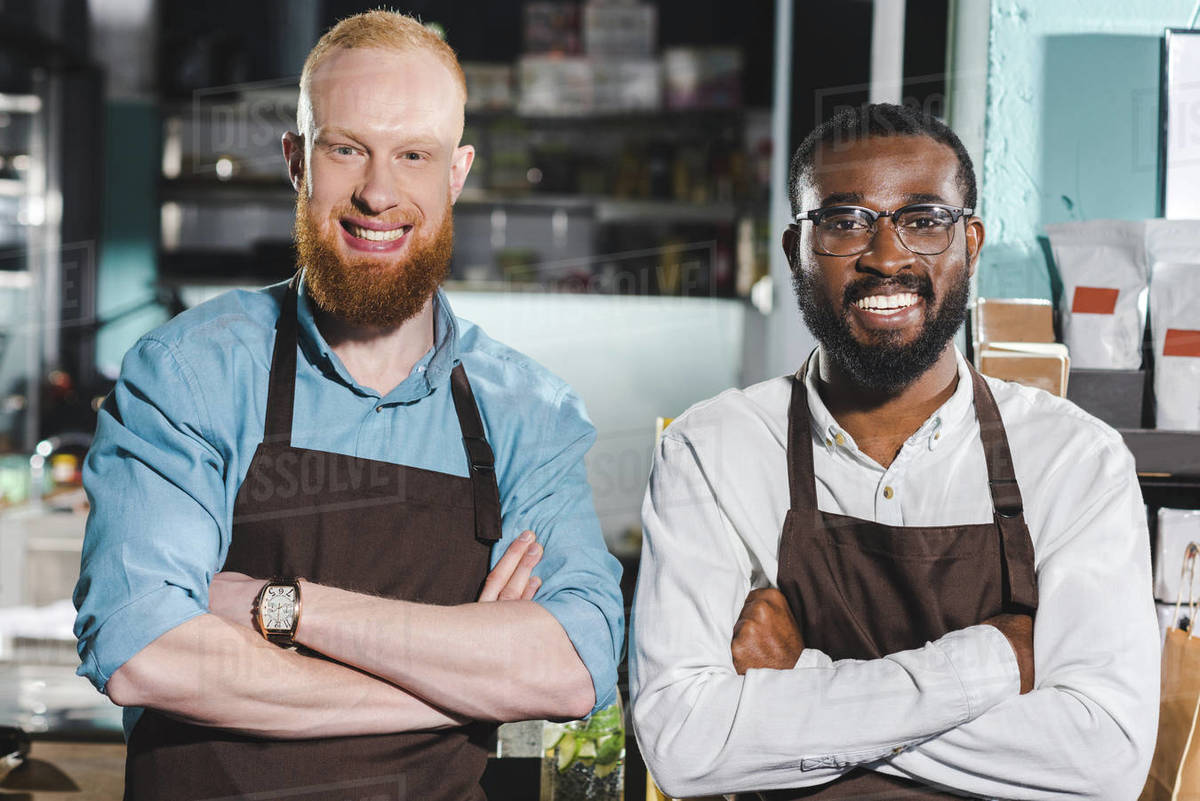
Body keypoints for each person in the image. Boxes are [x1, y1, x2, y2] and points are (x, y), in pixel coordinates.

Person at [72, 11, 623, 801]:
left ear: (456, 174)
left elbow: (573, 669)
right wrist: (455, 687)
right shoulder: (193, 371)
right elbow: (143, 651)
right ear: (297, 161)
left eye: (414, 155)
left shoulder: (526, 413)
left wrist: (281, 609)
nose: (378, 191)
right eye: (346, 148)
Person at [630, 103, 1159, 800]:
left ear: (970, 244)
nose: (886, 256)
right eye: (845, 221)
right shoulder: (712, 449)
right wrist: (992, 665)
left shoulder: (1075, 459)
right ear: (796, 251)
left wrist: (804, 681)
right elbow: (684, 743)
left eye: (924, 219)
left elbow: (1104, 755)